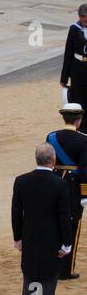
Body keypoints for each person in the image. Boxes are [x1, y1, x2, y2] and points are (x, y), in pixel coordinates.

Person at [12, 144, 75, 295]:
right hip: (52, 240)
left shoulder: (22, 181)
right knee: (46, 281)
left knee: (31, 278)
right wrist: (66, 243)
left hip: (30, 238)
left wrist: (18, 237)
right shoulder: (60, 184)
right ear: (53, 160)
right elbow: (64, 217)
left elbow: (16, 212)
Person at [47, 102, 87, 280]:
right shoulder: (84, 140)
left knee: (53, 222)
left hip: (54, 181)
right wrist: (85, 194)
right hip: (73, 186)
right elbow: (85, 171)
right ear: (79, 120)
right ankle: (66, 270)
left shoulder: (51, 137)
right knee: (72, 225)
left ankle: (52, 266)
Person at [62, 3, 87, 106]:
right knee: (78, 100)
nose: (86, 23)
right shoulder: (74, 29)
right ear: (80, 17)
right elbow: (68, 53)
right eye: (84, 20)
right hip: (77, 69)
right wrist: (64, 78)